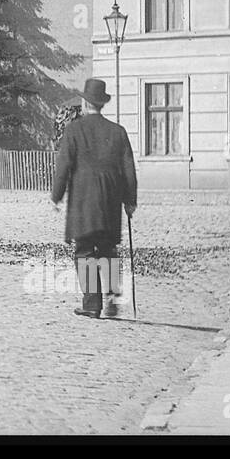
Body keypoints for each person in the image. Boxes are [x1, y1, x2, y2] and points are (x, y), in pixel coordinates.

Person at [50, 78, 137, 319]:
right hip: (110, 201)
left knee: (85, 251)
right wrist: (130, 201)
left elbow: (64, 166)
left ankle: (91, 304)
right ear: (101, 104)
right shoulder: (118, 132)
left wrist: (56, 196)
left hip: (83, 202)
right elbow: (129, 169)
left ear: (85, 103)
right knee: (108, 248)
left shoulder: (74, 130)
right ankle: (112, 297)